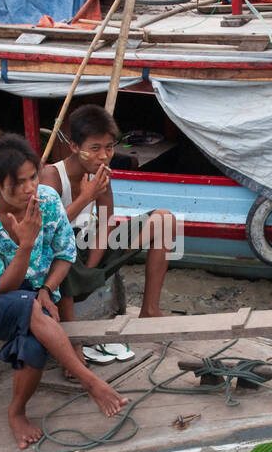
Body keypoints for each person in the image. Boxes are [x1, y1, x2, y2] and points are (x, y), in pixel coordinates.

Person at [0, 134, 127, 448]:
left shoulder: (48, 200)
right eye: (19, 182)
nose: (30, 188)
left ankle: (16, 412)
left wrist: (47, 290)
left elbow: (65, 255)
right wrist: (25, 246)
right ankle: (89, 381)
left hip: (38, 296)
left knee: (34, 346)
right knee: (25, 303)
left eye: (33, 177)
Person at [40, 105, 177, 338]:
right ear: (74, 146)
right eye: (94, 148)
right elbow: (48, 230)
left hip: (88, 249)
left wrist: (93, 266)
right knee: (60, 252)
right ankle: (71, 341)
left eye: (109, 147)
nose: (103, 156)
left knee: (164, 220)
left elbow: (106, 223)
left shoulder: (101, 172)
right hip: (60, 254)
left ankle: (150, 310)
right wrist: (86, 197)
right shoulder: (51, 176)